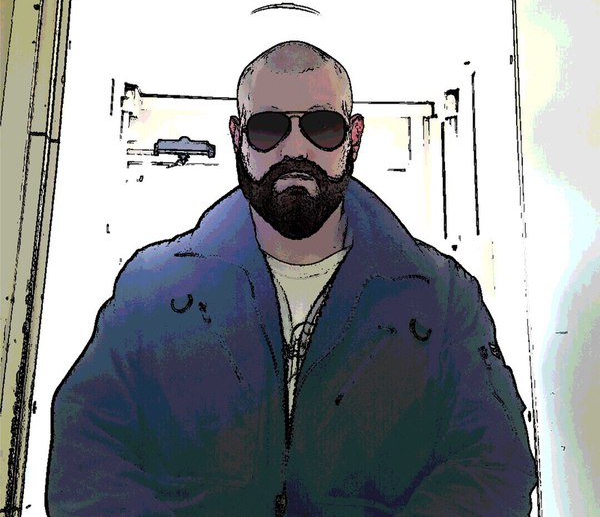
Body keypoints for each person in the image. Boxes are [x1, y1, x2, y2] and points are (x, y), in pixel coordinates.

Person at [47, 41, 537, 516]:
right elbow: (86, 451)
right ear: (238, 137)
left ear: (354, 137)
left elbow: (495, 464)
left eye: (322, 126)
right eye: (269, 128)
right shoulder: (152, 287)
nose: (295, 148)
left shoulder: (443, 296)